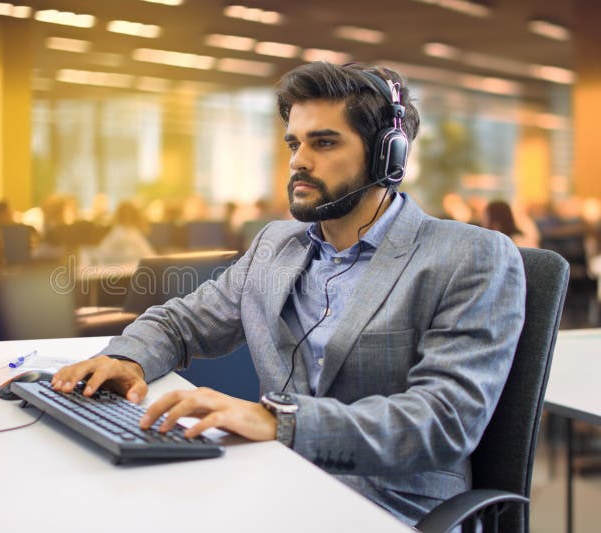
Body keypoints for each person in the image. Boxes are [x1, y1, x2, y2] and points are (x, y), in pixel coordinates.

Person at [50, 62, 525, 525]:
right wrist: (128, 360)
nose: (299, 160)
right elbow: (183, 322)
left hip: (389, 506)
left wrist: (281, 422)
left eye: (324, 142)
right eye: (294, 143)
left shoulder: (470, 257)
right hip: (272, 483)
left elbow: (442, 421)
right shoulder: (276, 246)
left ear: (388, 156)